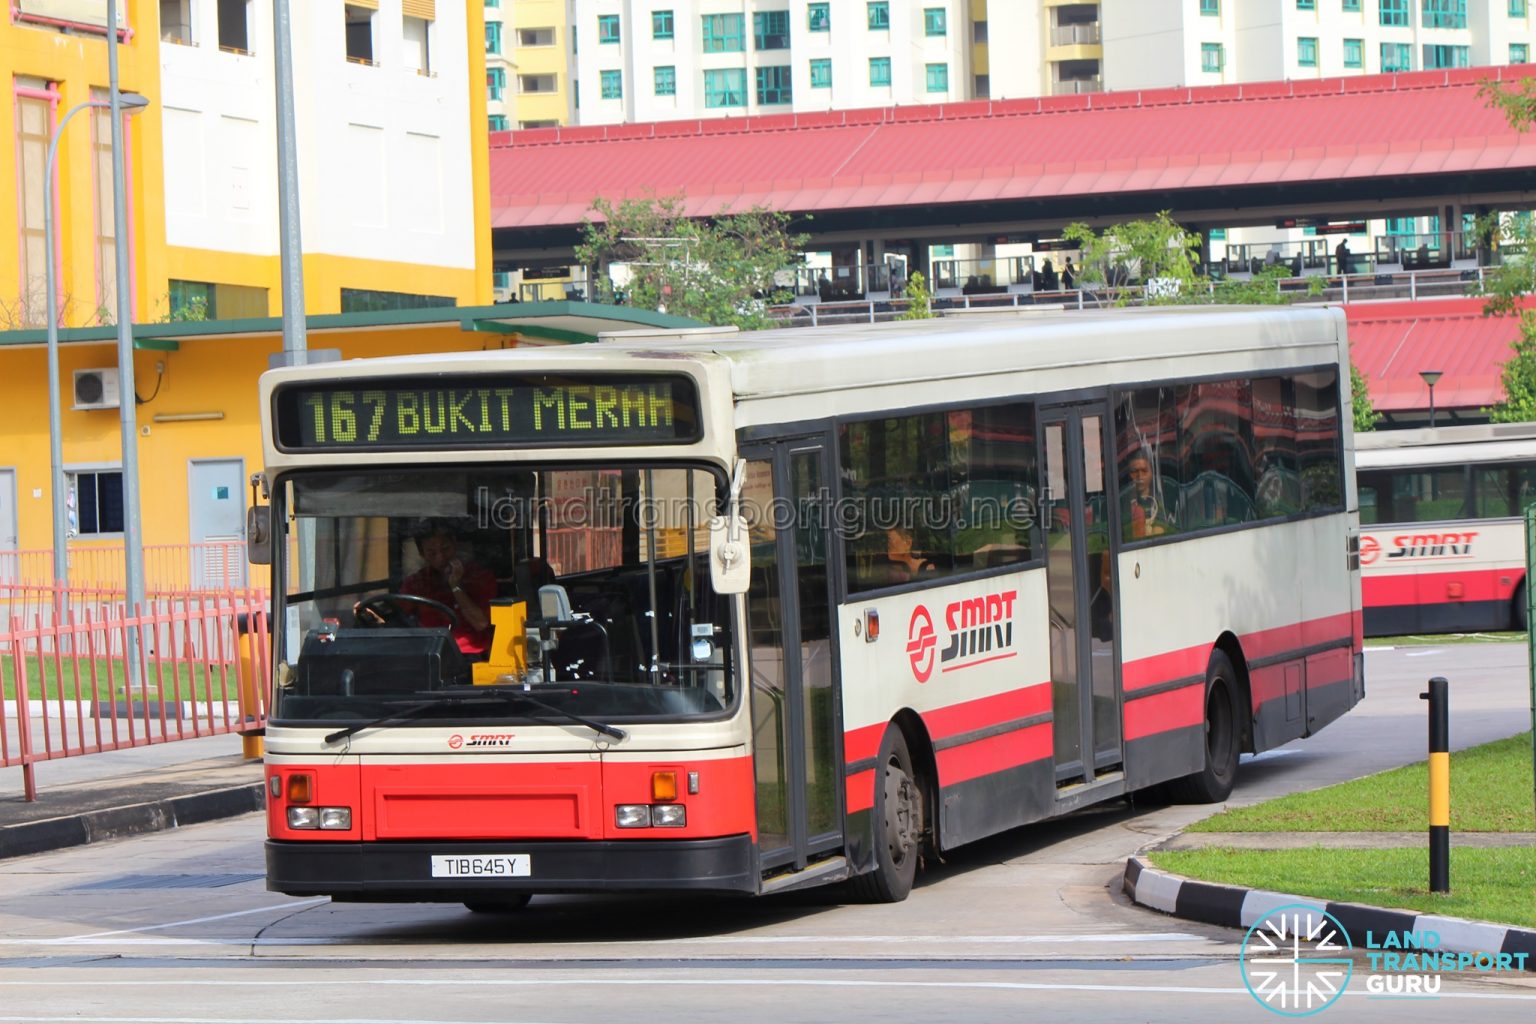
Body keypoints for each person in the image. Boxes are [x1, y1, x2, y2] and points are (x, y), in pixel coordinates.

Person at [399, 526, 495, 656]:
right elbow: (398, 614)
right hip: (429, 654)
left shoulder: (478, 577)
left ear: (454, 544)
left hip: (471, 656)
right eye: (432, 553)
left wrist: (455, 586)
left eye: (445, 549)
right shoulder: (417, 582)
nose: (440, 557)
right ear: (422, 554)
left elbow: (481, 623)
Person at [1121, 448, 1173, 540]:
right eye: (1134, 471)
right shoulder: (1121, 505)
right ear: (1128, 474)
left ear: (1152, 473)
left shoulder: (1160, 505)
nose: (1140, 477)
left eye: (1144, 471)